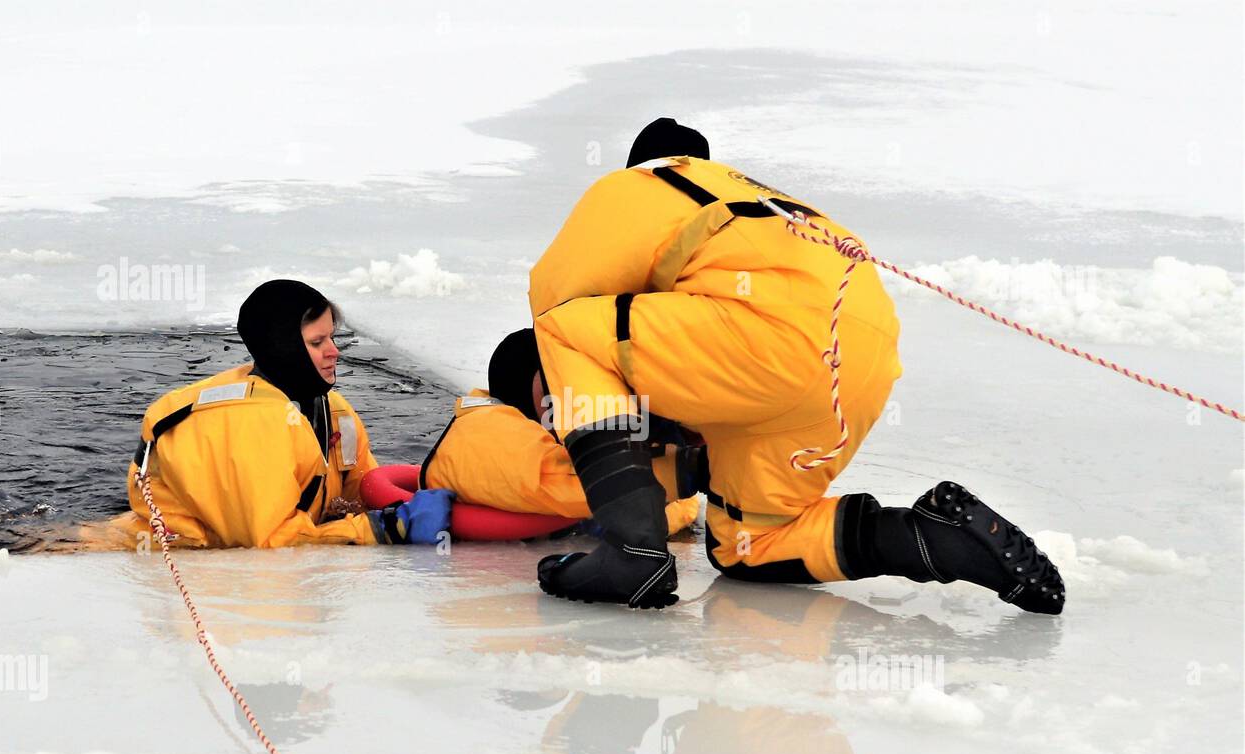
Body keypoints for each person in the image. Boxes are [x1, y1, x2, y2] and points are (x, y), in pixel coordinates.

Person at [526, 117, 1065, 612]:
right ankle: (931, 538)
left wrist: (612, 430)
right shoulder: (763, 199)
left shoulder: (639, 186)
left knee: (561, 326)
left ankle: (631, 548)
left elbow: (558, 297)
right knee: (748, 546)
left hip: (769, 341)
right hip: (857, 364)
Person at [116, 279, 451, 548]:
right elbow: (270, 542)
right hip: (172, 548)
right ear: (284, 347)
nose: (334, 352)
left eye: (332, 338)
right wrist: (381, 530)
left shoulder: (334, 411)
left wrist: (403, 505)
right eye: (318, 342)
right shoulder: (255, 426)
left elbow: (360, 489)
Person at [417, 328, 700, 535]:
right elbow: (577, 485)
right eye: (550, 385)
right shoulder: (487, 434)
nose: (566, 395)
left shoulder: (545, 432)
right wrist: (687, 470)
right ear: (520, 394)